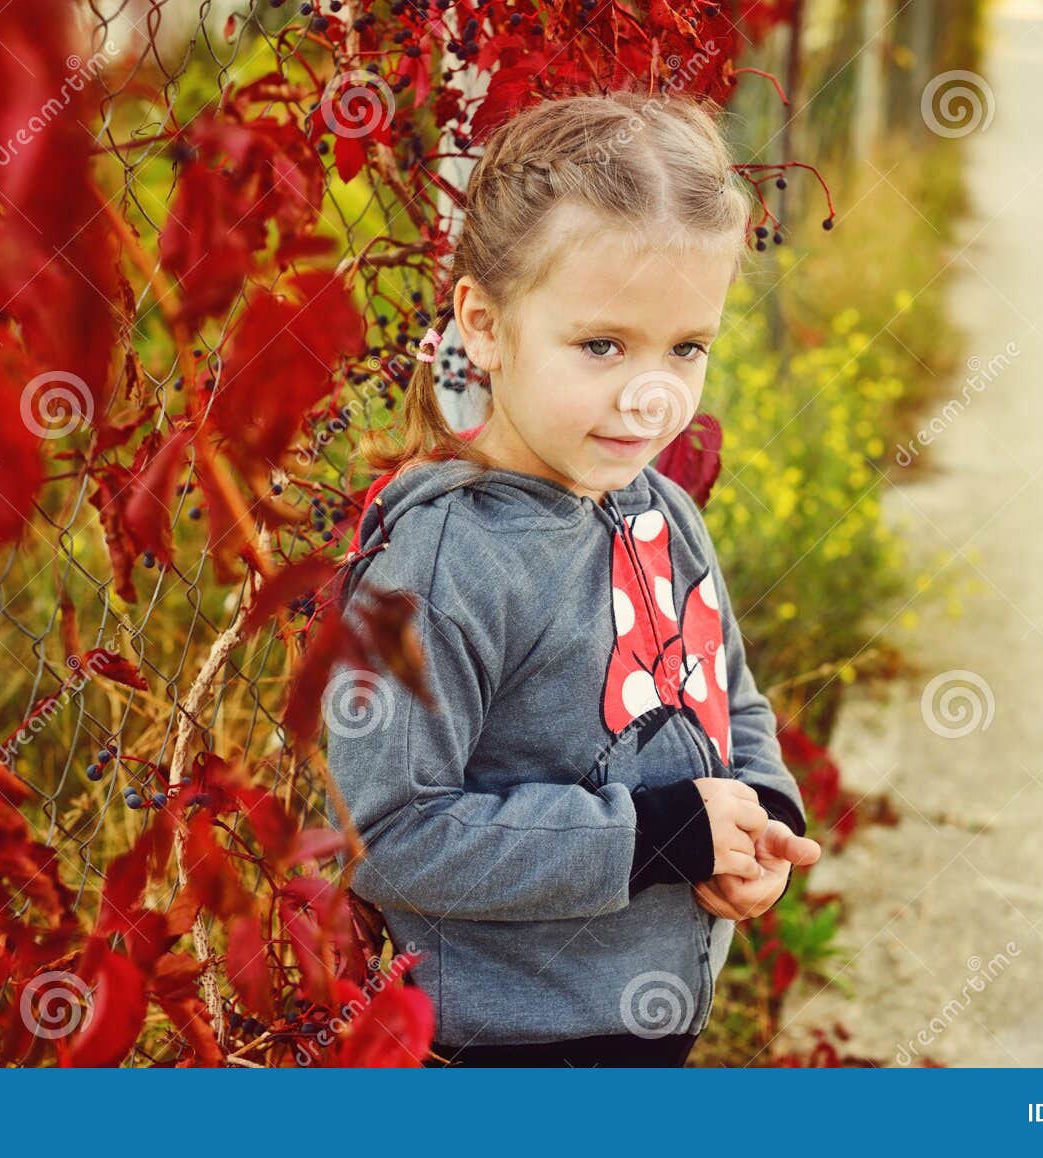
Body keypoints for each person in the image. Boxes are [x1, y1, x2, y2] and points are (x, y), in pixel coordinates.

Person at [325, 89, 824, 1068]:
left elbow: (730, 700)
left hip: (650, 1020)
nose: (651, 396)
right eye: (602, 346)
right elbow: (390, 833)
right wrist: (658, 838)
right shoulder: (443, 564)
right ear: (485, 325)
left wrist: (760, 817)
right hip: (509, 1046)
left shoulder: (661, 511)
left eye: (687, 349)